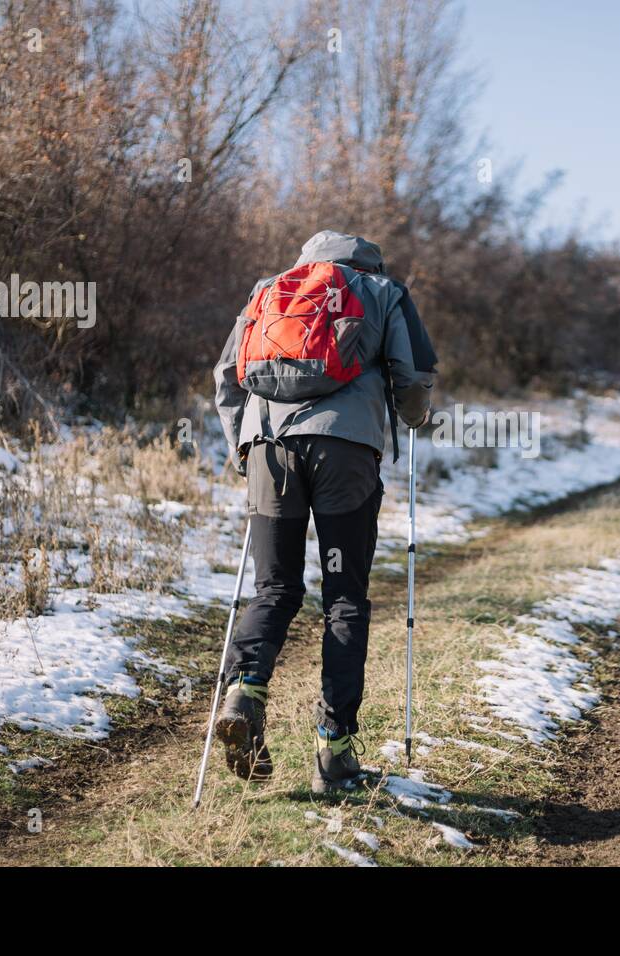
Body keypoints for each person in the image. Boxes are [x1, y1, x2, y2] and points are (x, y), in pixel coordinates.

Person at [213, 229, 435, 793]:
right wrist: (411, 416)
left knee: (275, 589)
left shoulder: (270, 288)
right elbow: (411, 381)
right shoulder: (384, 290)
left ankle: (244, 691)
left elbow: (226, 377)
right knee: (343, 597)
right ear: (369, 259)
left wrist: (244, 448)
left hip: (269, 451)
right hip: (346, 454)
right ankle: (334, 753)